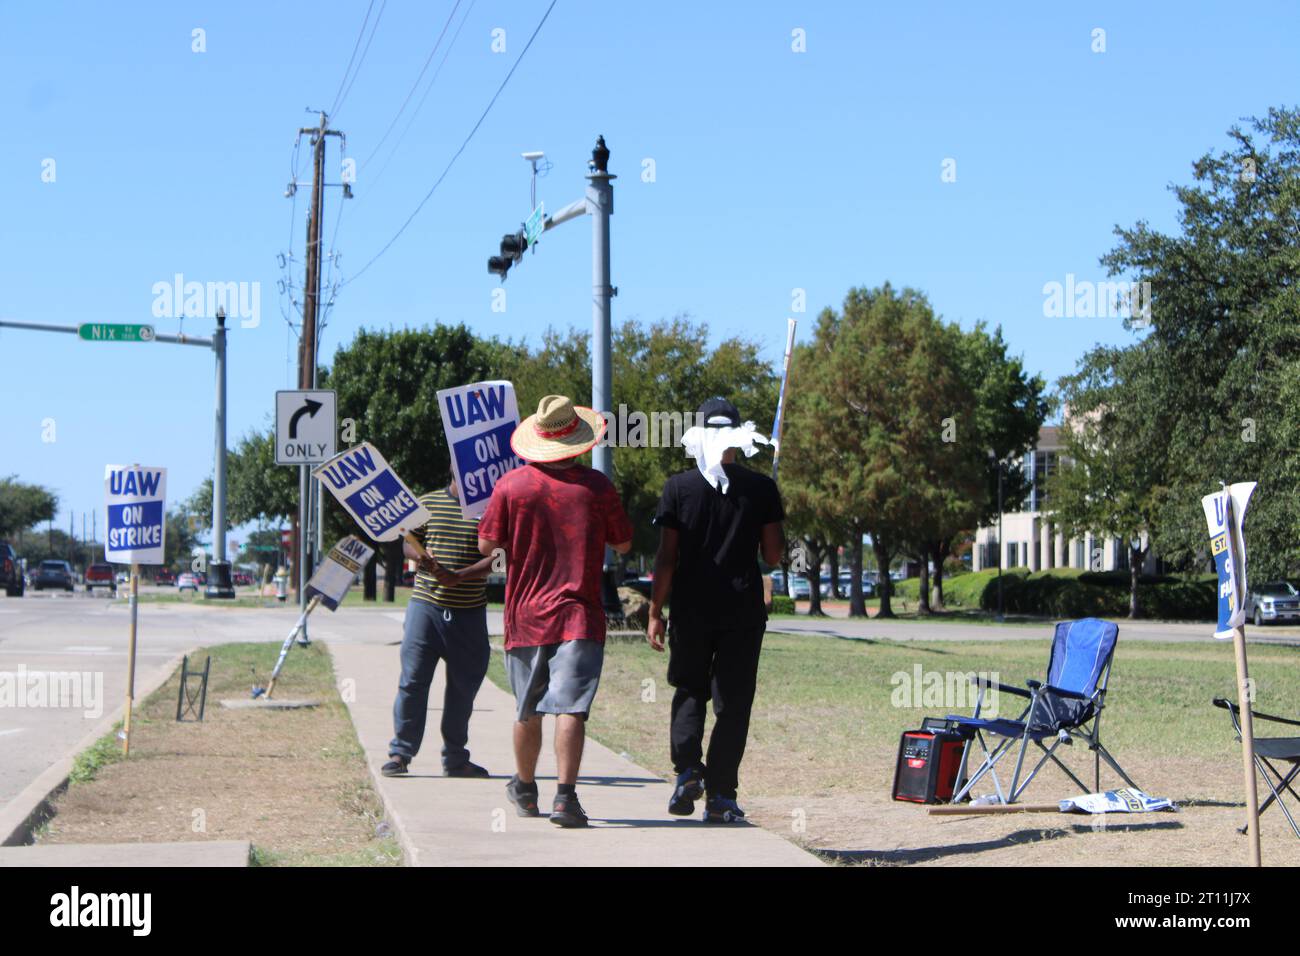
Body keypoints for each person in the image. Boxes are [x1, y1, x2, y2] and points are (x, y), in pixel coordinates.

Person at [478, 395, 633, 828]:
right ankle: (565, 797)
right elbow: (623, 544)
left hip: (525, 616)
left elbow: (486, 546)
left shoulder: (511, 486)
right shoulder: (597, 488)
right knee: (571, 708)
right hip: (580, 616)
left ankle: (526, 789)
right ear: (578, 441)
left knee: (527, 708)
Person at [647, 396, 785, 822]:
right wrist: (771, 508)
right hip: (741, 611)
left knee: (690, 689)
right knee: (733, 703)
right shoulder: (760, 488)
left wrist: (655, 610)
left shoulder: (678, 488)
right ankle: (722, 793)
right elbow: (773, 555)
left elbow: (666, 558)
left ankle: (688, 769)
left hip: (691, 609)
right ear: (739, 435)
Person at [383, 476, 495, 778]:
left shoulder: (491, 508)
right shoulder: (428, 502)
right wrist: (419, 555)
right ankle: (400, 753)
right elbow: (407, 540)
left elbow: (500, 560)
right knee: (412, 682)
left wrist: (460, 576)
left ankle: (456, 759)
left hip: (469, 613)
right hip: (426, 608)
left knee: (463, 689)